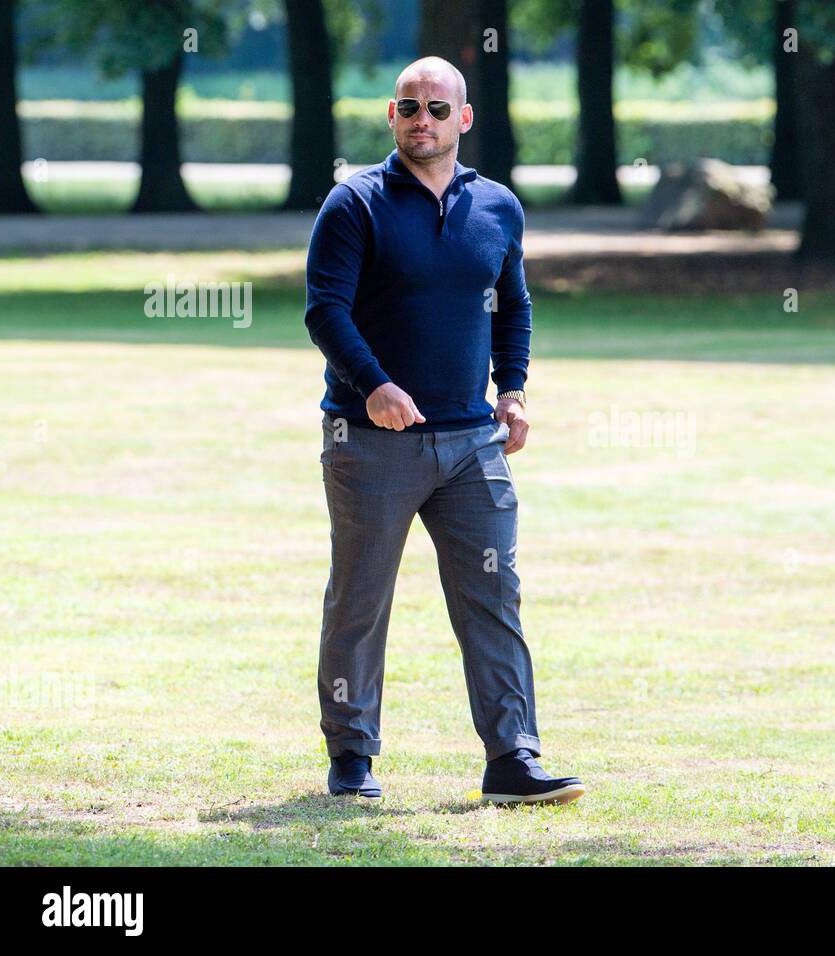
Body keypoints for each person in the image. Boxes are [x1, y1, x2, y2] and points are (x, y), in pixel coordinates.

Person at [304, 56, 583, 806]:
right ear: (391, 117)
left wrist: (514, 389)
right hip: (370, 442)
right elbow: (324, 310)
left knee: (494, 596)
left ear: (463, 118)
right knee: (361, 597)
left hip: (472, 445)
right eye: (407, 106)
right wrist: (377, 386)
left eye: (435, 107)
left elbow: (512, 305)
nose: (420, 118)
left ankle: (512, 758)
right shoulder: (354, 203)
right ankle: (352, 758)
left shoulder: (497, 206)